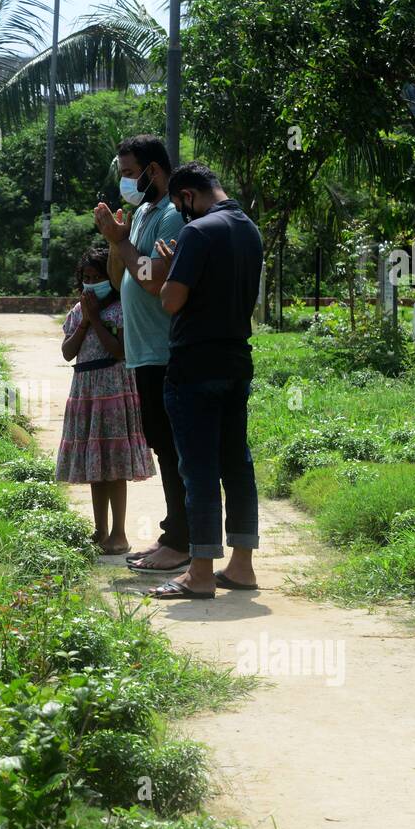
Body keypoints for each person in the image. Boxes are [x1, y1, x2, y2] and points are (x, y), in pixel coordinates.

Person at [147, 162, 263, 599]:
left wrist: (172, 266)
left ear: (188, 196)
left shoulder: (197, 233)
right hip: (236, 358)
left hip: (195, 363)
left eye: (181, 206)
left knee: (197, 468)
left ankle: (199, 573)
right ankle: (242, 568)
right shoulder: (249, 229)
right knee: (236, 464)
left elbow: (172, 301)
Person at [92, 135, 189, 575]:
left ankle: (183, 540)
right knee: (160, 442)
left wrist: (124, 244)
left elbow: (152, 277)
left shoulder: (172, 215)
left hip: (165, 350)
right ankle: (173, 532)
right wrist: (115, 238)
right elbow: (119, 276)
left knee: (172, 447)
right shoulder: (142, 212)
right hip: (141, 353)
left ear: (153, 171)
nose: (125, 183)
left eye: (131, 174)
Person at [56, 245, 154, 554]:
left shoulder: (120, 309)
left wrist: (96, 319)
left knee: (114, 465)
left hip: (112, 388)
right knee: (95, 466)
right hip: (85, 389)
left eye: (97, 276)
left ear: (110, 279)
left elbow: (119, 350)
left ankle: (119, 534)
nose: (90, 282)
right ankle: (99, 531)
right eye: (86, 277)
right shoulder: (77, 312)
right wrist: (85, 320)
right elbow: (67, 352)